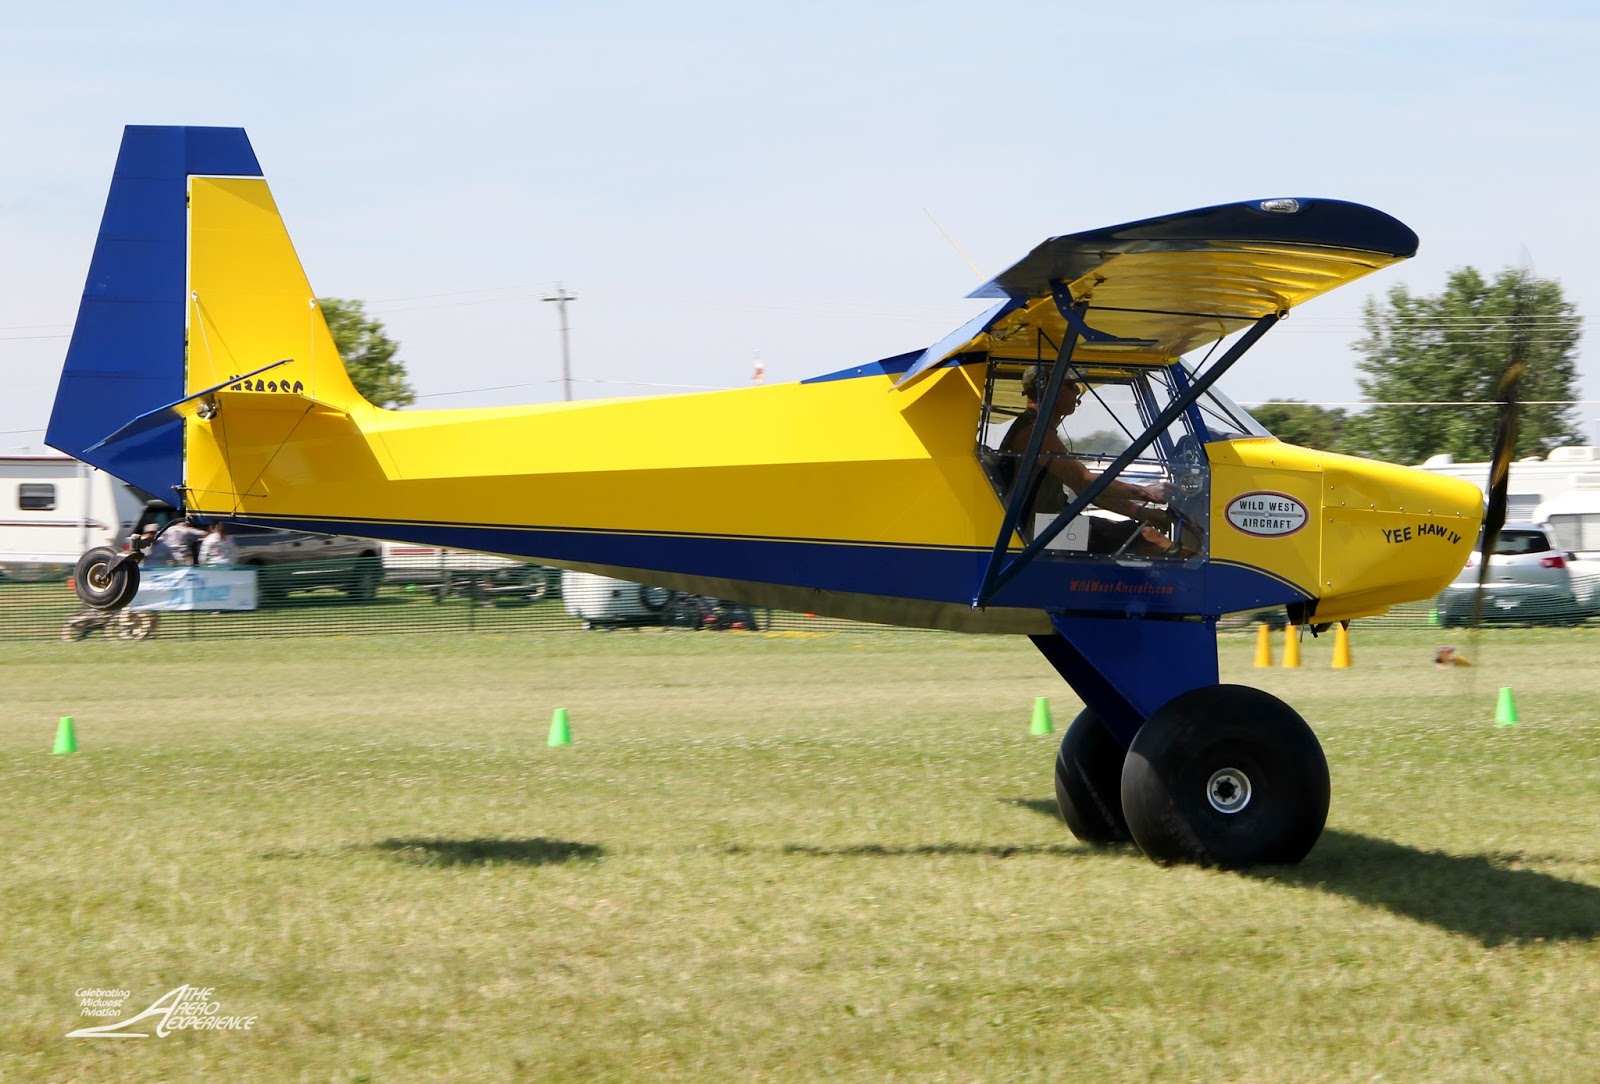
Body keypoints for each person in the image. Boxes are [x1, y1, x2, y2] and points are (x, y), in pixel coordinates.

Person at [999, 366, 1174, 554]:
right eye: (1070, 385)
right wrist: (1144, 491)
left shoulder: (1037, 429)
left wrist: (1141, 512)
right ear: (1048, 390)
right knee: (1149, 538)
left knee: (1139, 535)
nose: (1076, 391)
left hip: (1046, 525)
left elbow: (1089, 492)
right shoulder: (1033, 432)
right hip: (1035, 531)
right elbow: (1083, 481)